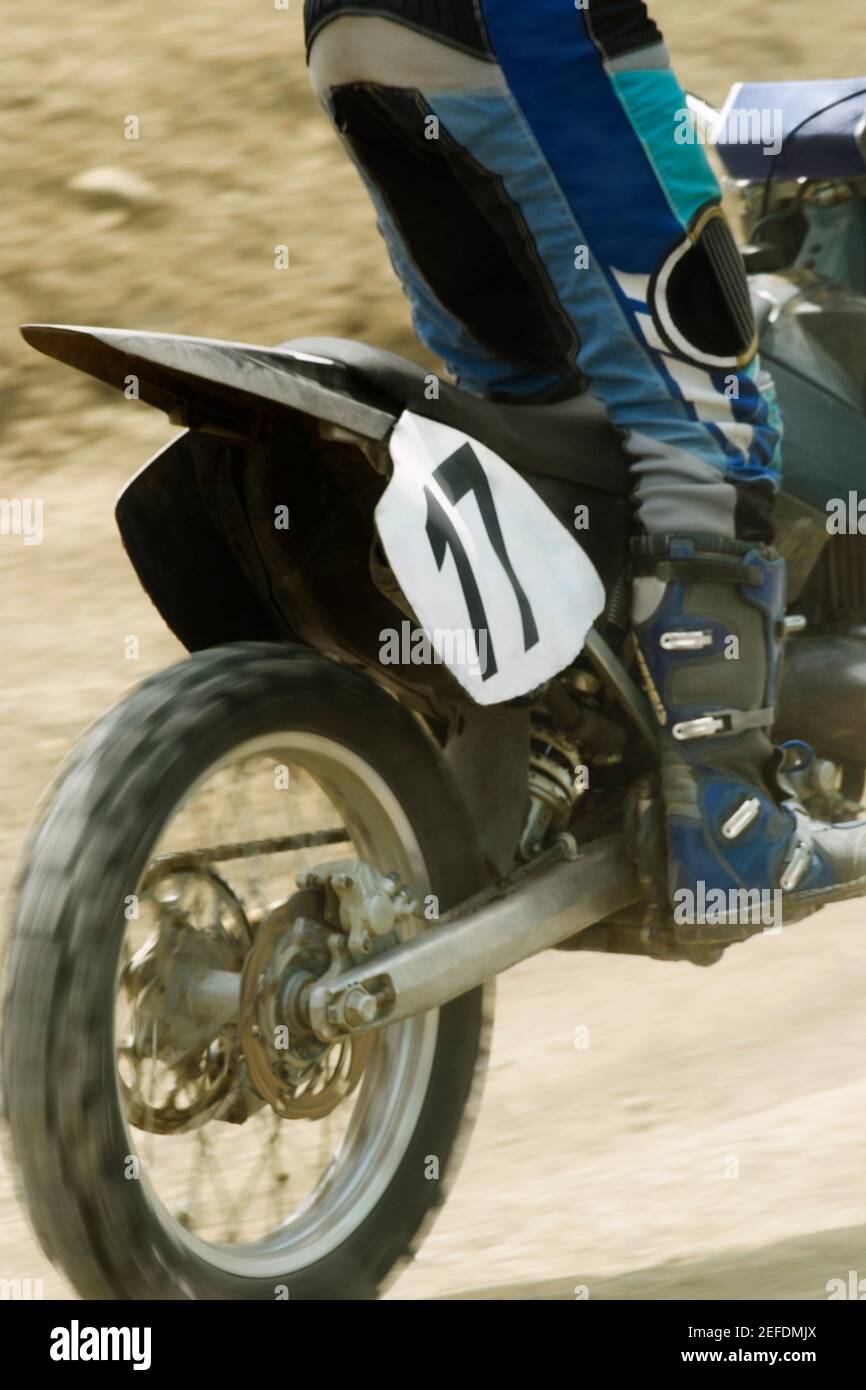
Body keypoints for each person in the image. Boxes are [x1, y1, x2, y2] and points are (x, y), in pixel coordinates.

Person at [302, 0, 866, 931]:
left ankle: (548, 763)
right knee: (710, 407)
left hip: (352, 38)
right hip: (523, 32)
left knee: (542, 408)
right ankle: (727, 825)